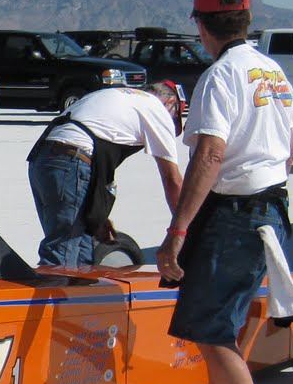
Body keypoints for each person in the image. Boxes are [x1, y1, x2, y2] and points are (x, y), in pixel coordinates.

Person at [157, 0, 293, 384]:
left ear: (201, 24)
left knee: (209, 324)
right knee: (225, 319)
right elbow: (291, 150)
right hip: (271, 210)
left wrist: (178, 230)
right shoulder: (273, 72)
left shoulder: (221, 75)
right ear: (246, 19)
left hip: (235, 215)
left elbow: (211, 153)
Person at [26, 82, 186, 266]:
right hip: (72, 161)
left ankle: (80, 292)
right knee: (64, 252)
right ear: (171, 102)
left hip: (45, 159)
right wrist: (183, 230)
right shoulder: (157, 109)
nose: (172, 123)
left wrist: (97, 215)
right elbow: (172, 179)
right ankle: (54, 292)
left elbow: (98, 152)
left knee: (81, 253)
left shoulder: (118, 96)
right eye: (175, 117)